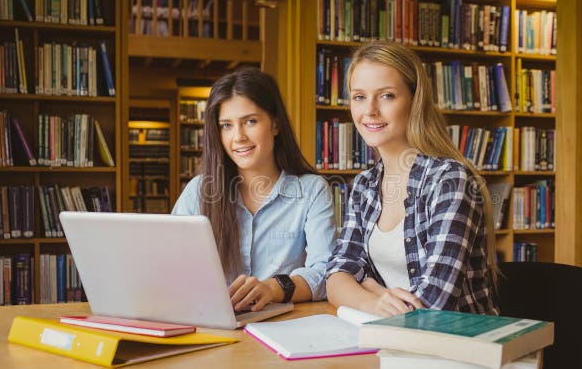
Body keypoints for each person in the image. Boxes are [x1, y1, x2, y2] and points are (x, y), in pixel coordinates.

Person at [325, 41, 499, 317]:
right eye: (359, 97)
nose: (369, 110)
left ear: (414, 100)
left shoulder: (448, 180)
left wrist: (366, 284)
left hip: (456, 339)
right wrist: (373, 301)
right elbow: (336, 275)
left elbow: (433, 302)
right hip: (387, 328)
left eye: (387, 96)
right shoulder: (364, 185)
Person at [172, 67, 335, 312]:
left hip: (283, 325)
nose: (238, 136)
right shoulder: (198, 191)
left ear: (275, 124)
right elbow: (171, 264)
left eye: (250, 121)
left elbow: (326, 272)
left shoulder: (312, 191)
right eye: (226, 125)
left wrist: (274, 288)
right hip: (213, 323)